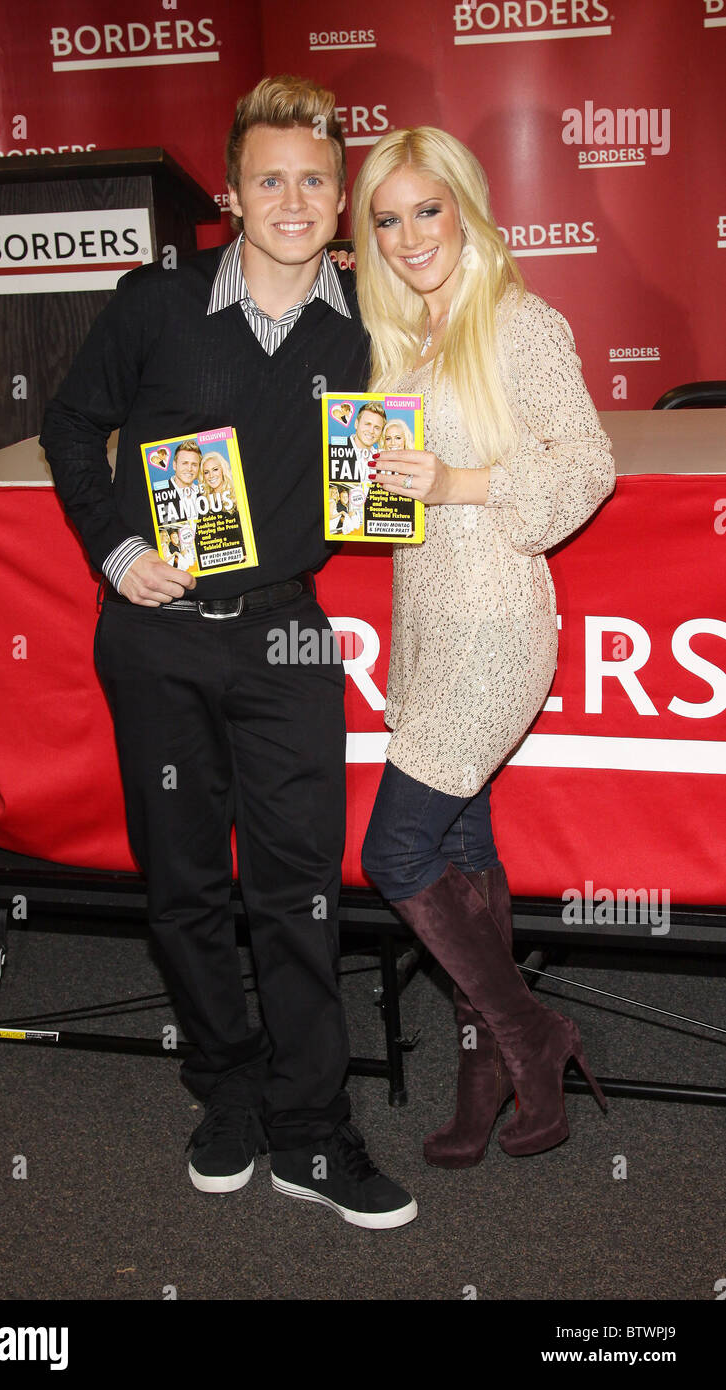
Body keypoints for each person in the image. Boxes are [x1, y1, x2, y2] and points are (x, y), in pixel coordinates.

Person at [39, 76, 417, 1230]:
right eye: (269, 179)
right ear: (231, 191)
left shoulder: (371, 327)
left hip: (288, 634)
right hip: (152, 635)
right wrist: (111, 548)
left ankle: (312, 1129)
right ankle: (229, 1088)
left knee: (296, 887)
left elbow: (420, 441)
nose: (291, 199)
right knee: (186, 885)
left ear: (340, 194)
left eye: (313, 179)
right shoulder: (154, 304)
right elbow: (68, 422)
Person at [352, 126, 616, 1166]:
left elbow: (584, 464)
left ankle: (529, 1033)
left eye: (426, 209)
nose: (410, 234)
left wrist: (455, 483)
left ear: (462, 205)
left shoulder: (515, 320)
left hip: (495, 619)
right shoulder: (404, 336)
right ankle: (484, 1067)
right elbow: (395, 495)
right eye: (386, 217)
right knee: (459, 849)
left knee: (394, 850)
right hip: (427, 618)